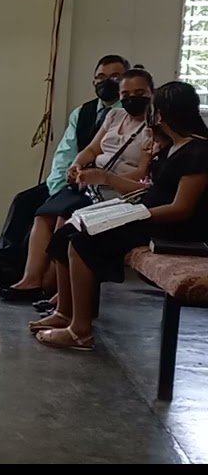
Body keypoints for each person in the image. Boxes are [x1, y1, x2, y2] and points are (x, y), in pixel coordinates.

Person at [32, 81, 208, 350]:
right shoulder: (170, 147)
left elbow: (180, 209)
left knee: (83, 242)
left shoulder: (199, 151)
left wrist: (135, 215)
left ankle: (81, 331)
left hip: (170, 226)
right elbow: (149, 189)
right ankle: (64, 313)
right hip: (147, 214)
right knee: (68, 230)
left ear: (162, 113)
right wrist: (107, 179)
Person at [0, 68, 154, 303]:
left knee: (64, 219)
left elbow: (142, 173)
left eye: (140, 92)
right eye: (126, 93)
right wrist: (77, 165)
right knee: (43, 214)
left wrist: (105, 177)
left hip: (117, 191)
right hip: (91, 185)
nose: (132, 98)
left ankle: (56, 290)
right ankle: (30, 279)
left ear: (152, 92)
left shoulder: (153, 128)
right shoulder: (114, 117)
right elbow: (91, 149)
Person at [0, 54, 129, 288]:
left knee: (53, 212)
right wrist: (57, 185)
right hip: (67, 183)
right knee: (24, 200)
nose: (106, 82)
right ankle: (3, 261)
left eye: (115, 77)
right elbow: (66, 152)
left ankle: (34, 276)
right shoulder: (82, 112)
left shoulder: (128, 116)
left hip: (99, 189)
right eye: (100, 77)